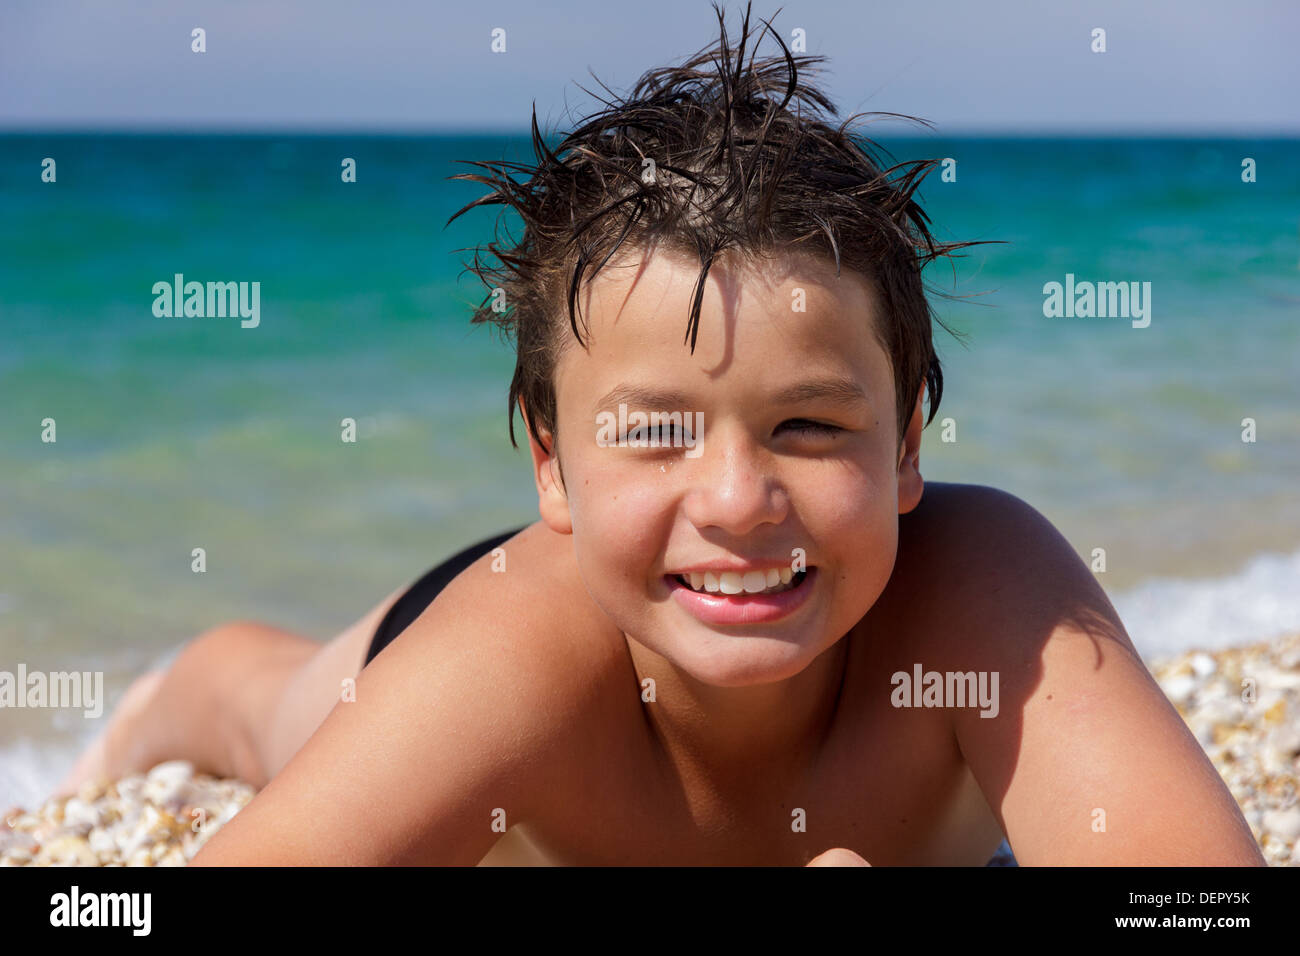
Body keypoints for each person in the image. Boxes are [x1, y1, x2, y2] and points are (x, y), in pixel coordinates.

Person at [61, 3, 1264, 866]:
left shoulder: (987, 591)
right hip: (484, 613)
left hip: (635, 562)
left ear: (905, 445)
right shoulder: (510, 663)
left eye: (806, 423)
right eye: (655, 430)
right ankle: (200, 674)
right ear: (551, 456)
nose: (738, 496)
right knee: (279, 708)